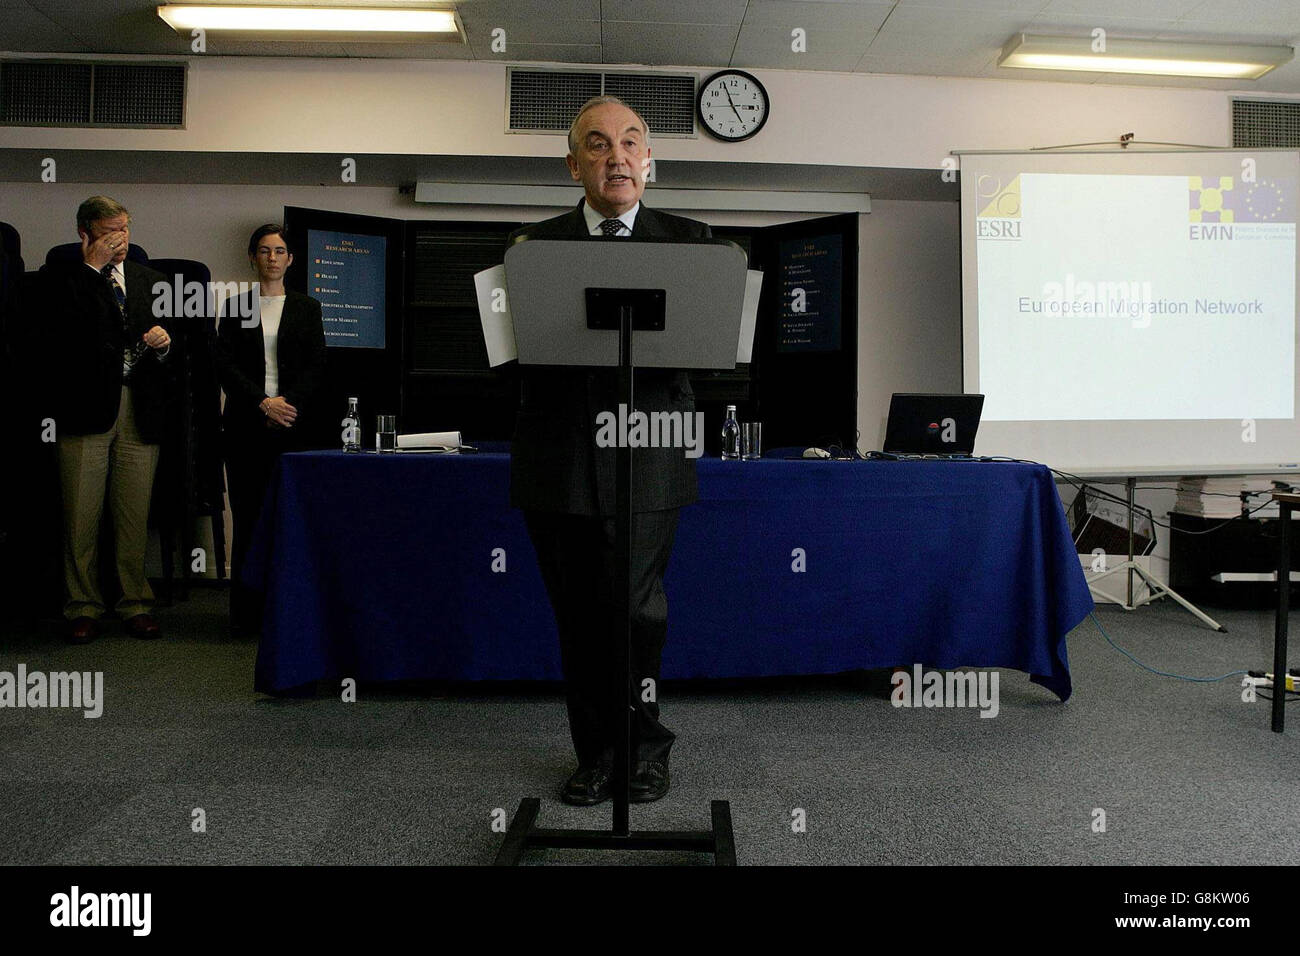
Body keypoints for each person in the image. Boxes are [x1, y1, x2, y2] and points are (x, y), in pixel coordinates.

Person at [508, 96, 711, 806]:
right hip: (558, 458)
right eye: (597, 144)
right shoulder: (530, 250)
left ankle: (644, 747)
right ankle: (597, 754)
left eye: (630, 142)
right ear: (574, 164)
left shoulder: (693, 242)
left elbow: (707, 356)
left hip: (650, 455)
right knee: (582, 614)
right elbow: (511, 359)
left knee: (634, 610)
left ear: (648, 161)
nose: (616, 156)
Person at [43, 196, 175, 643]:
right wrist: (89, 270)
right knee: (81, 514)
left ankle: (135, 602)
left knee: (133, 514)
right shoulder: (59, 279)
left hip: (140, 411)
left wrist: (163, 347)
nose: (120, 240)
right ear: (85, 234)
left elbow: (181, 358)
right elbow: (55, 336)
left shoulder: (151, 281)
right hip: (84, 411)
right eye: (109, 232)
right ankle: (82, 604)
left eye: (125, 230)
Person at [213, 224, 326, 634]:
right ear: (252, 257)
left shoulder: (307, 308)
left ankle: (291, 615)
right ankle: (246, 617)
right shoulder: (235, 307)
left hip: (295, 428)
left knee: (291, 519)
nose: (272, 258)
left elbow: (316, 366)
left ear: (290, 259)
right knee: (248, 519)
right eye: (264, 251)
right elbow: (225, 366)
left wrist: (285, 407)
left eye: (279, 251)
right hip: (247, 427)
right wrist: (263, 403)